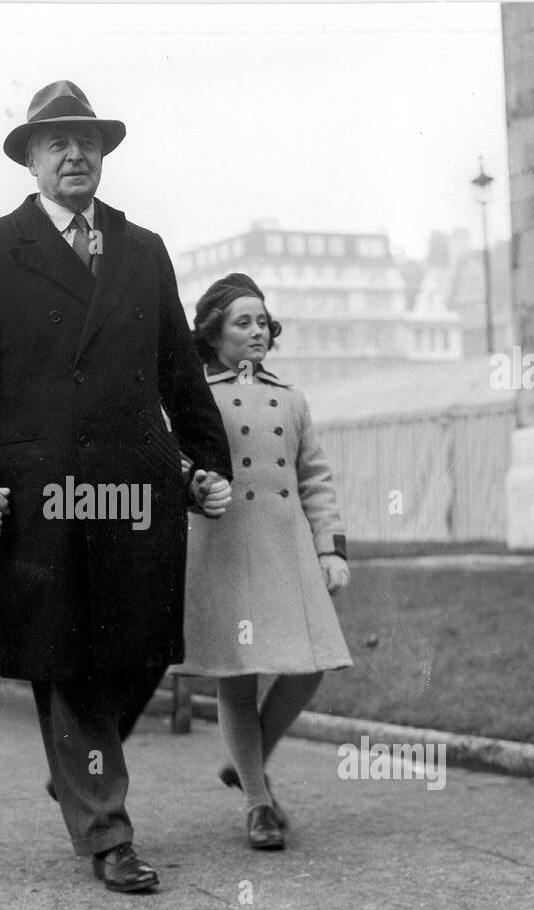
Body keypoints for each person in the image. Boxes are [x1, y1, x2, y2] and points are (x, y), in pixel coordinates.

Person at [0, 80, 233, 893]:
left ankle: (81, 774)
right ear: (29, 159)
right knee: (69, 657)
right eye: (56, 142)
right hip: (43, 486)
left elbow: (179, 366)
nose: (75, 155)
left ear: (104, 154)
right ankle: (108, 830)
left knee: (138, 649)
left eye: (88, 141)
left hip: (138, 480)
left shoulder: (144, 249)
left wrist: (206, 461)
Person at [172, 273, 352, 850]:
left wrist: (330, 549)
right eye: (241, 322)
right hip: (223, 543)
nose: (256, 332)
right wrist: (192, 482)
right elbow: (172, 458)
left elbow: (316, 480)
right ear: (214, 334)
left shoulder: (291, 397)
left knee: (313, 663)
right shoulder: (195, 395)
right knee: (239, 673)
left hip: (286, 544)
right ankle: (257, 800)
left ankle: (249, 759)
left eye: (261, 321)